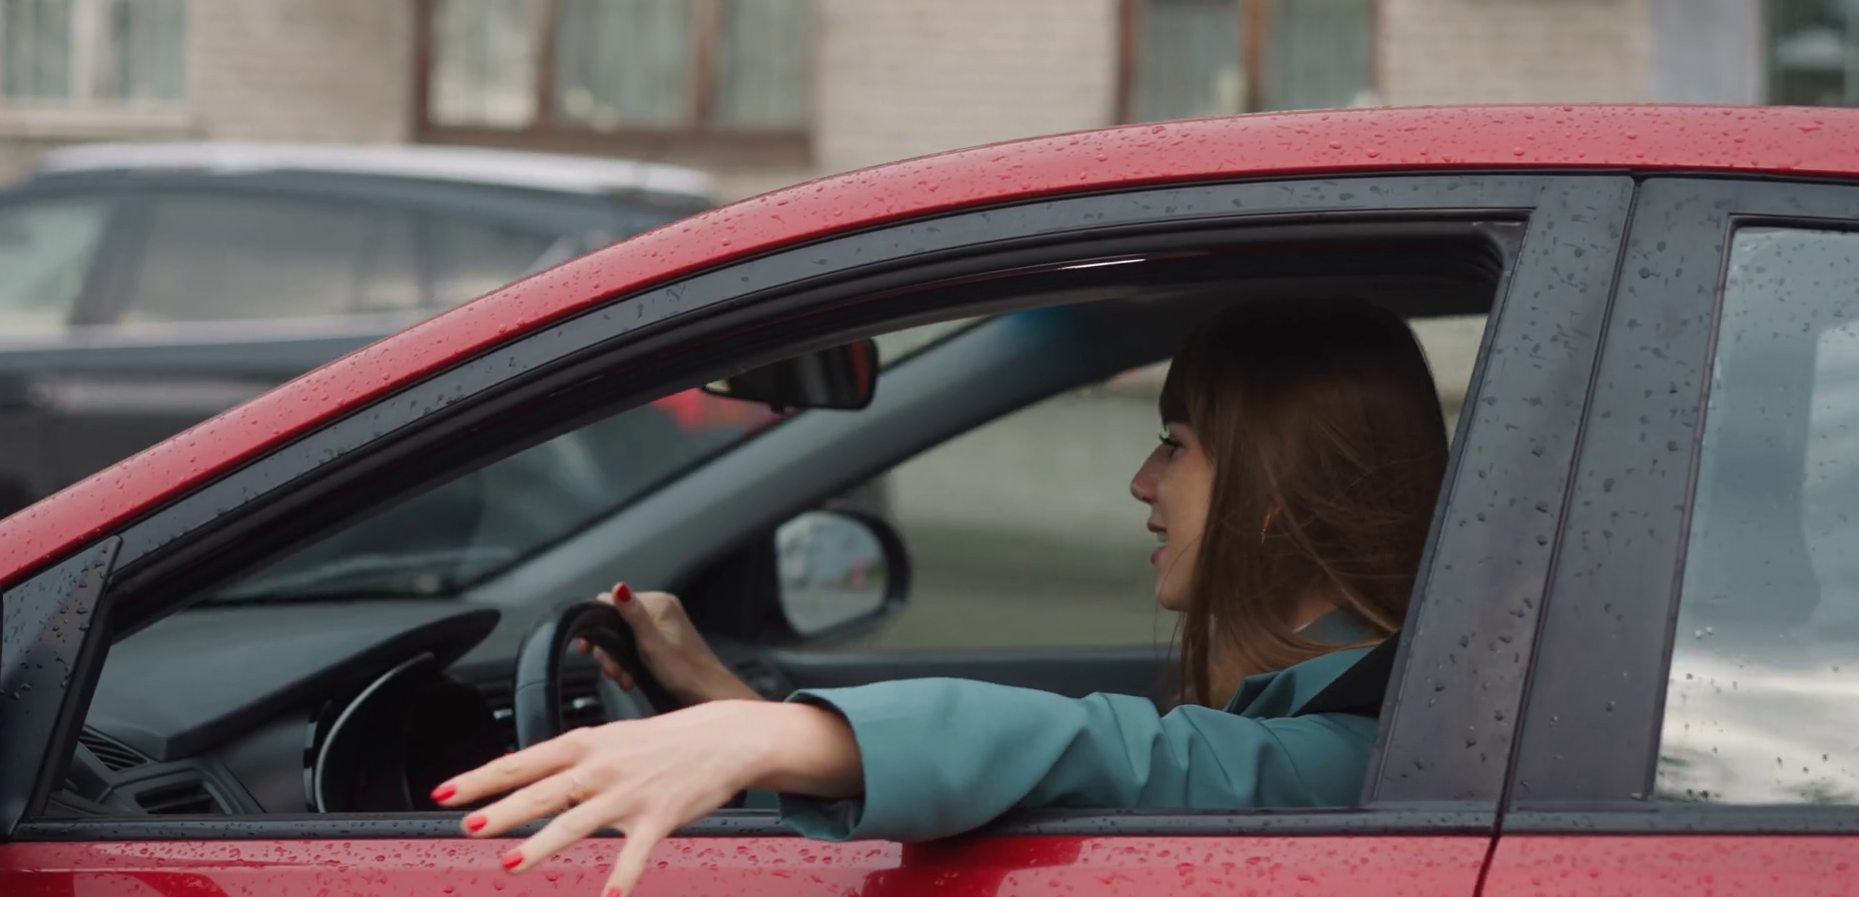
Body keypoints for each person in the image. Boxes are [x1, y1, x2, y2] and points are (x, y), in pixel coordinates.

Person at [432, 298, 1451, 896]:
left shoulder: (1362, 746)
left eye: (1175, 446)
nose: (1142, 482)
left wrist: (775, 739)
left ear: (1273, 491)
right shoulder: (1356, 698)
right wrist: (718, 696)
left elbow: (1127, 754)